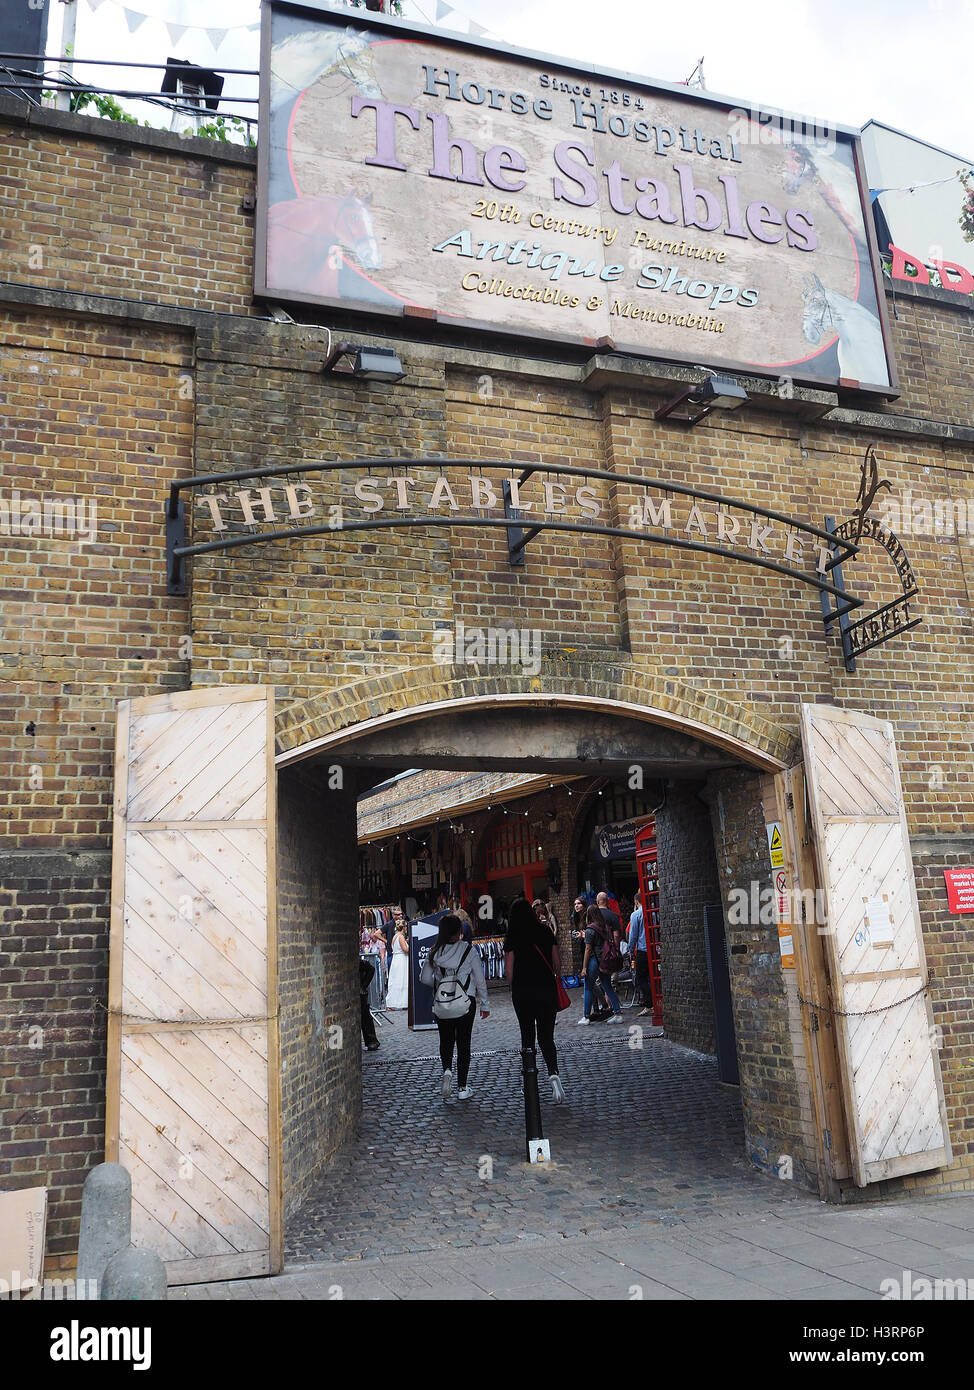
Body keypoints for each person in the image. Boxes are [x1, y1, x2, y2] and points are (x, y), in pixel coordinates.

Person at [421, 913, 489, 1100]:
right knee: (464, 1043)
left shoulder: (434, 952)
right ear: (459, 930)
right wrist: (485, 1003)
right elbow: (480, 979)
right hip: (465, 1002)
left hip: (443, 1004)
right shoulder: (467, 950)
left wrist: (440, 981)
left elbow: (425, 978)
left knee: (446, 1040)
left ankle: (447, 1071)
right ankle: (462, 1088)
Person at [505, 899, 566, 1103]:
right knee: (547, 1037)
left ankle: (529, 1082)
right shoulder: (545, 931)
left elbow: (509, 972)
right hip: (546, 990)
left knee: (527, 1036)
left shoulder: (512, 936)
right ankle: (554, 1075)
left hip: (522, 992)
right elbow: (557, 965)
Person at [578, 904, 622, 1024]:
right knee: (607, 986)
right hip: (605, 960)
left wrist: (584, 967)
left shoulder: (590, 929)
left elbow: (588, 949)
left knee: (588, 987)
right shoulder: (606, 927)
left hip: (593, 960)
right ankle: (617, 1013)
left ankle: (586, 1016)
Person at [627, 890, 653, 1017]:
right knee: (652, 977)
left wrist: (630, 950)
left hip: (642, 950)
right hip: (654, 949)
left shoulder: (635, 915)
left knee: (641, 978)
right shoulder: (652, 912)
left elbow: (633, 935)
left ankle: (650, 1005)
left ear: (636, 902)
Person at [385, 920, 409, 1009]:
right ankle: (402, 1003)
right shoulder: (401, 937)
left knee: (396, 981)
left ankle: (395, 1002)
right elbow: (405, 949)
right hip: (401, 960)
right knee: (402, 981)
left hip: (397, 959)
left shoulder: (395, 936)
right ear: (404, 928)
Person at [359, 957, 380, 1051]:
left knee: (365, 1016)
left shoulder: (359, 963)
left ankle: (372, 1040)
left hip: (360, 992)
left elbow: (371, 969)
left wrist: (363, 986)